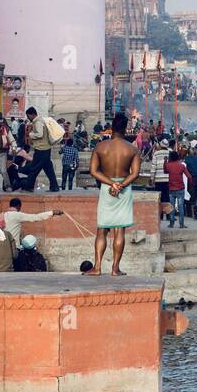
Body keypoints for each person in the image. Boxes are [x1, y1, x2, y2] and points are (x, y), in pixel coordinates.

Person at [88, 111, 140, 275]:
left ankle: (97, 267)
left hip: (106, 187)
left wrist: (111, 184)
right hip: (123, 190)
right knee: (120, 229)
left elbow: (93, 171)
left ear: (111, 128)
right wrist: (120, 185)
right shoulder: (132, 149)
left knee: (102, 229)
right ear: (125, 129)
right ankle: (115, 268)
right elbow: (135, 173)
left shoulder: (100, 147)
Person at [20, 107, 60, 192]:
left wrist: (30, 134)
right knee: (49, 169)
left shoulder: (38, 122)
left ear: (32, 114)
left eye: (28, 116)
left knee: (34, 168)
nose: (28, 118)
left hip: (41, 149)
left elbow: (40, 134)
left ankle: (29, 186)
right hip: (46, 148)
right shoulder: (42, 120)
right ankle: (54, 186)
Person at [163, 149, 191, 227]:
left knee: (171, 206)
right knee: (180, 206)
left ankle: (171, 223)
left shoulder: (168, 165)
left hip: (171, 188)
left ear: (170, 157)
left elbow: (165, 171)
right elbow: (189, 176)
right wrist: (191, 185)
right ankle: (181, 224)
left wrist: (165, 161)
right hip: (180, 188)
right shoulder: (181, 166)